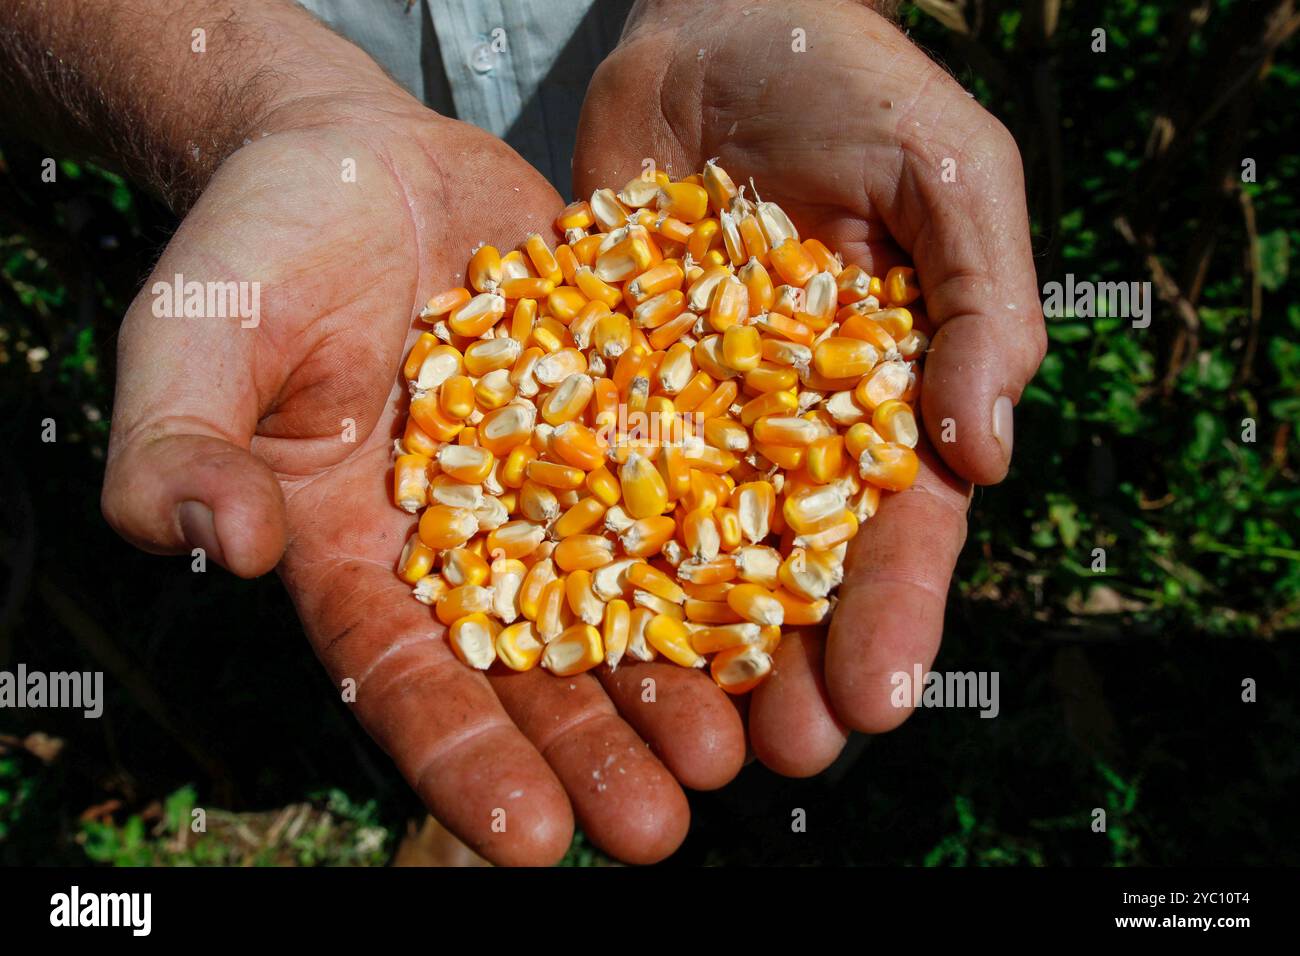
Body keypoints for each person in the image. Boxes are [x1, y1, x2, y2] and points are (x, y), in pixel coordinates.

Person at [0, 0, 1046, 865]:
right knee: (471, 680)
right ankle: (463, 807)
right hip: (358, 276)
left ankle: (782, 787)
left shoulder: (726, 331)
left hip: (687, 121)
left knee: (805, 678)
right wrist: (266, 104)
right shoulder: (503, 418)